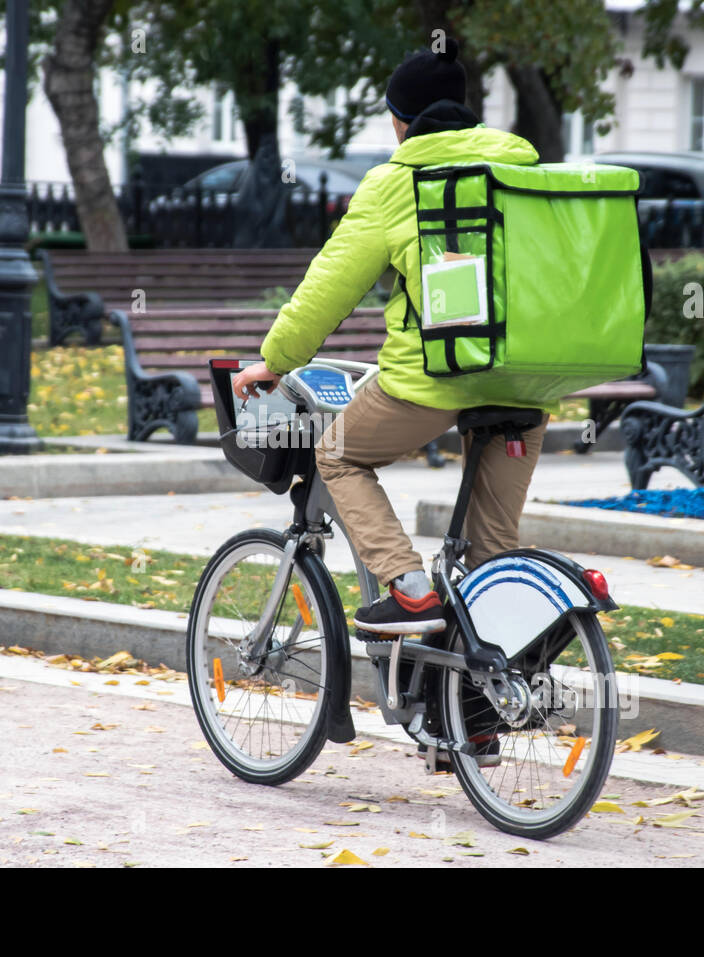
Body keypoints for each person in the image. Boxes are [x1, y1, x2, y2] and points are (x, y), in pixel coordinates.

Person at [232, 39, 555, 637]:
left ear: (401, 122)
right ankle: (476, 720)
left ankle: (408, 590)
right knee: (491, 560)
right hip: (527, 381)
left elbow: (328, 286)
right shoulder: (523, 167)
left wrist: (274, 361)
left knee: (337, 453)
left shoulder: (394, 183)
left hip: (436, 378)